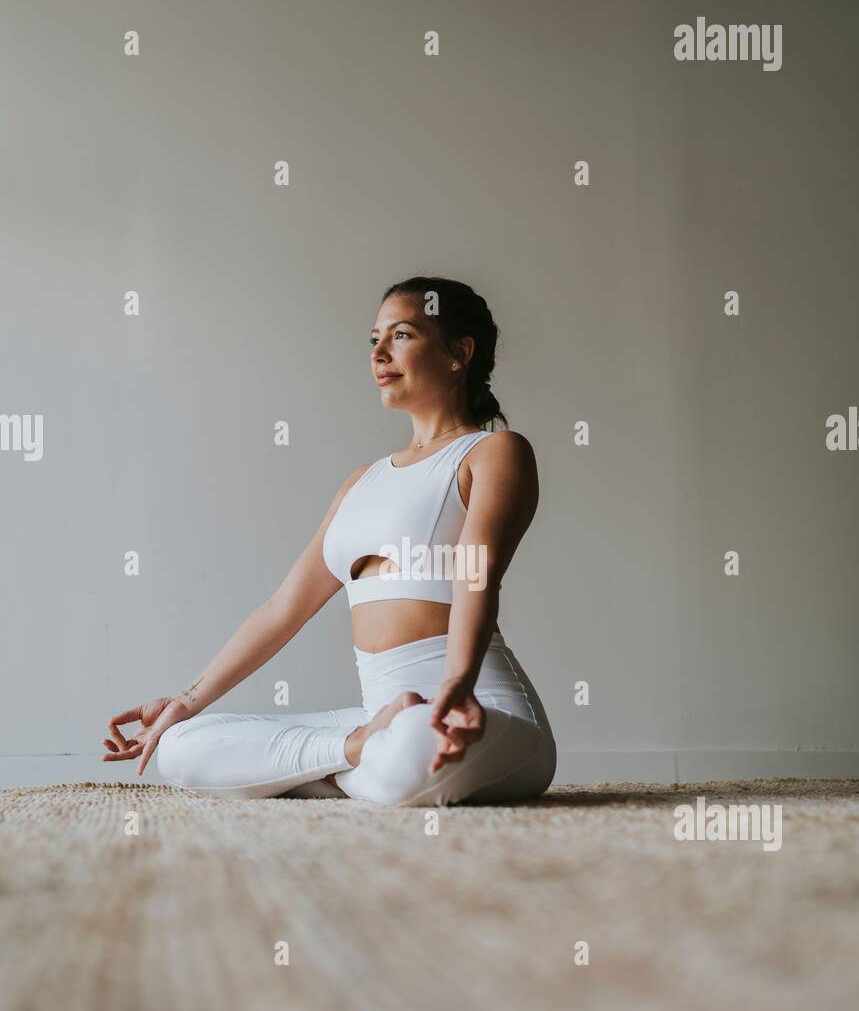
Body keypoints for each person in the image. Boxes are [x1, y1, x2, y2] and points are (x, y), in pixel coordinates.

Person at [101, 276, 556, 806]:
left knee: (412, 747)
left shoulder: (493, 452)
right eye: (374, 339)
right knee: (176, 745)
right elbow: (282, 610)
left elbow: (478, 574)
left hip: (476, 709)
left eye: (402, 335)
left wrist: (457, 684)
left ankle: (331, 764)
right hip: (378, 716)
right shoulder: (362, 481)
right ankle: (359, 749)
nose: (379, 353)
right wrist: (185, 700)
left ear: (459, 353)